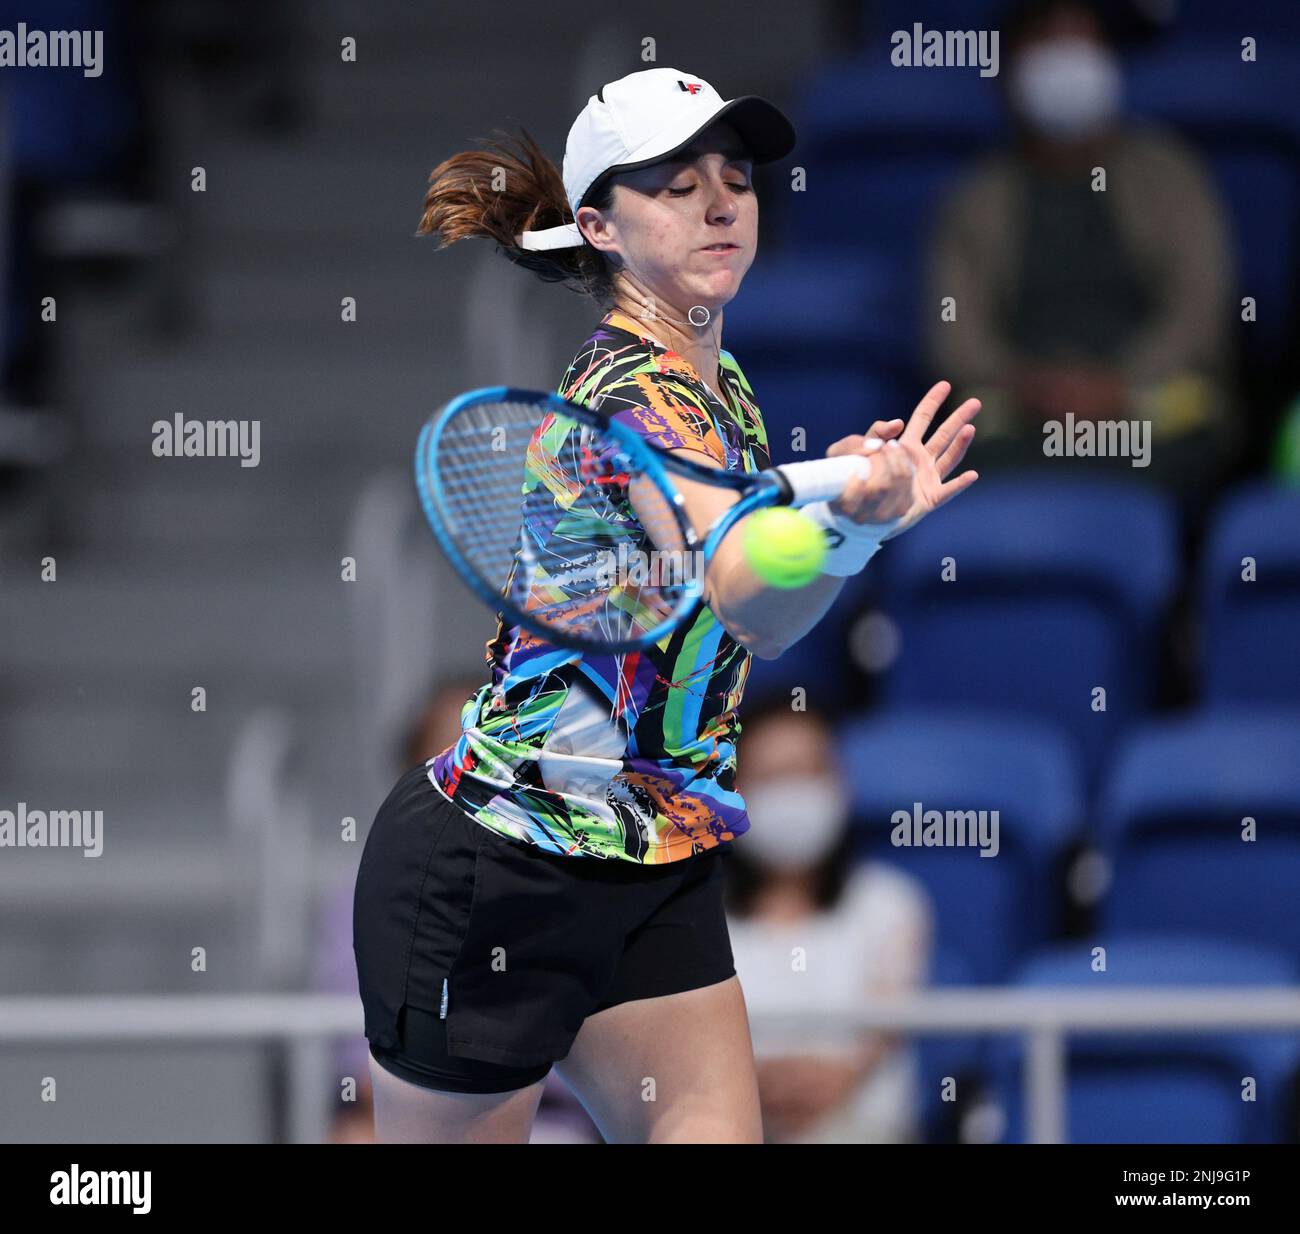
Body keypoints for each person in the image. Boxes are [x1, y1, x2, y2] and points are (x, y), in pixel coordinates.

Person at [353, 65, 981, 1144]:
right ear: (598, 226)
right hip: (500, 865)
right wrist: (832, 525)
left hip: (655, 849)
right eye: (676, 185)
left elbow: (769, 625)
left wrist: (854, 525)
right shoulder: (626, 399)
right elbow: (738, 580)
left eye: (733, 176)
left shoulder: (722, 391)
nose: (722, 200)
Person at [925, 0, 1238, 509]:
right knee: (975, 466)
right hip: (1021, 416)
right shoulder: (976, 198)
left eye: (1081, 42)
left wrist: (1119, 385)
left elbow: (1200, 309)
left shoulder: (1170, 174)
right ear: (1010, 68)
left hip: (1147, 411)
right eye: (1047, 43)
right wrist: (1032, 388)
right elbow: (954, 334)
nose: (1065, 61)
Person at [725, 697, 933, 1143]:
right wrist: (750, 1087)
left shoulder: (891, 903)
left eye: (807, 773)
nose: (792, 795)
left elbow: (883, 1035)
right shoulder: (696, 916)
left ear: (840, 783)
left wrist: (825, 1083)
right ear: (733, 792)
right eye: (773, 778)